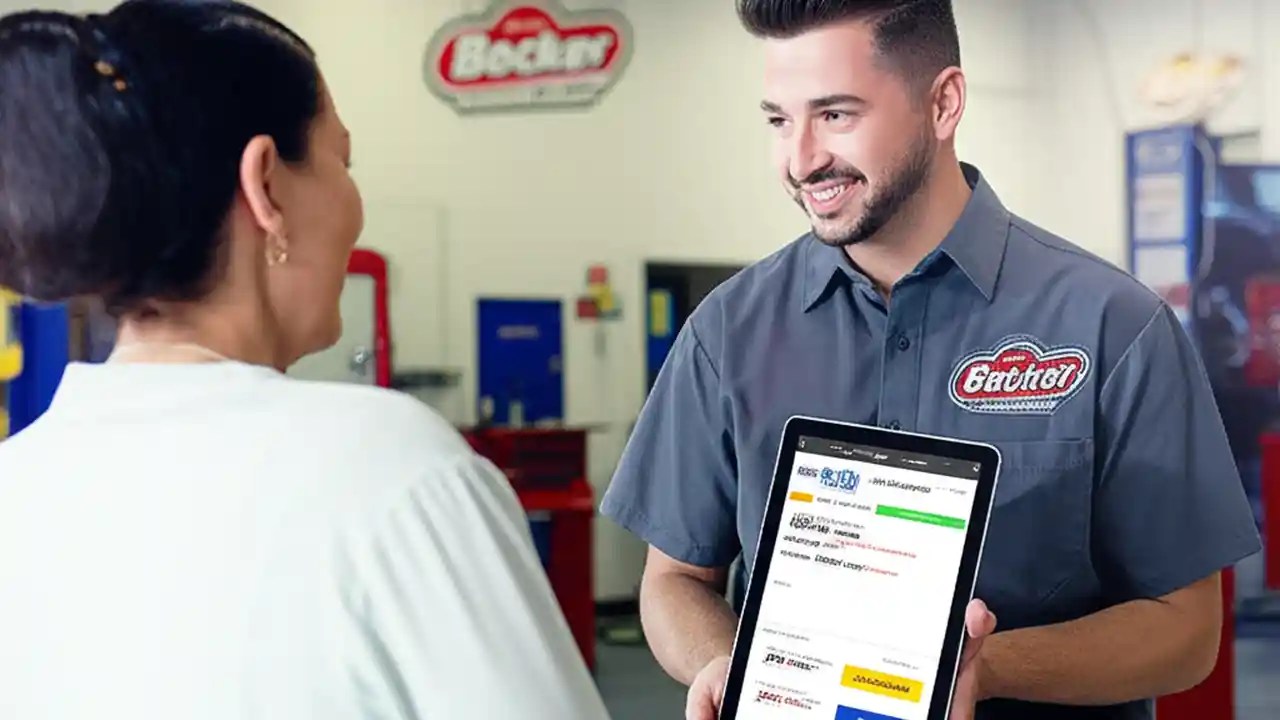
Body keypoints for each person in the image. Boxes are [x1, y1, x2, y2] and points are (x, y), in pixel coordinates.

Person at [600, 1, 1262, 719]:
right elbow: (672, 582)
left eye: (836, 115)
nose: (800, 160)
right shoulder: (727, 332)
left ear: (943, 102)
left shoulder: (1115, 328)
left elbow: (1187, 631)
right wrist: (728, 666)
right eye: (778, 120)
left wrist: (981, 668)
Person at [0, 2, 609, 719]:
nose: (355, 203)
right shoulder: (394, 465)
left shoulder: (20, 483)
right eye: (340, 161)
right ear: (267, 187)